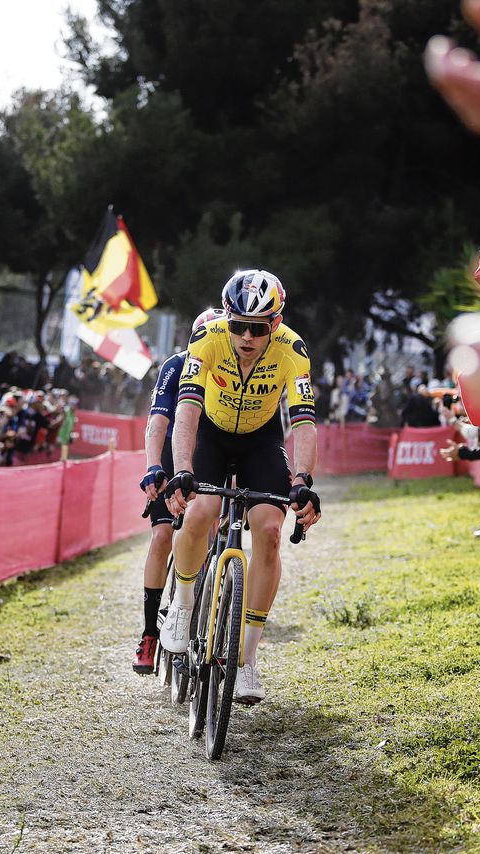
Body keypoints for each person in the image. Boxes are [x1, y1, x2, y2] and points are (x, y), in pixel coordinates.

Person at [162, 270, 322, 703]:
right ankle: (183, 601)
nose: (248, 337)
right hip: (211, 435)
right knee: (201, 511)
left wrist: (304, 480)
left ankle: (247, 660)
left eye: (259, 327)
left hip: (260, 439)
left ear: (276, 322)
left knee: (270, 532)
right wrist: (181, 469)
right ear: (226, 319)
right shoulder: (207, 339)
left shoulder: (293, 350)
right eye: (239, 326)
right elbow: (187, 410)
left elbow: (304, 422)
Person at [133, 307, 224, 674]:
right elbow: (157, 421)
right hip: (175, 456)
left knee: (214, 534)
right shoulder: (176, 365)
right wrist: (153, 466)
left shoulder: (233, 371)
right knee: (161, 538)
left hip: (211, 458)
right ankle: (150, 632)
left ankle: (213, 627)